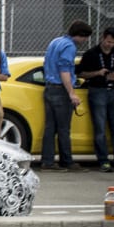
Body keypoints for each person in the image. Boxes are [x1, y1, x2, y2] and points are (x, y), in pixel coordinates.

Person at [40, 19, 92, 171]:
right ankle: (67, 160)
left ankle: (47, 161)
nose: (85, 40)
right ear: (80, 35)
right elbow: (65, 71)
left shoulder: (56, 42)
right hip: (60, 90)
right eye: (85, 37)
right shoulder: (69, 46)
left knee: (50, 128)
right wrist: (72, 93)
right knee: (63, 128)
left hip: (49, 87)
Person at [76, 26, 114, 173]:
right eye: (108, 41)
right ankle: (103, 160)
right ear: (102, 38)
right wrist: (98, 73)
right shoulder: (91, 54)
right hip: (97, 91)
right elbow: (80, 73)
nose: (110, 45)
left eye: (113, 42)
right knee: (100, 128)